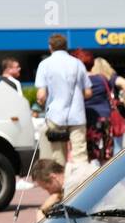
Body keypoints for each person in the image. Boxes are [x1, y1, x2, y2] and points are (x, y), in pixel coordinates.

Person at [34, 33, 92, 167]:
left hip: (55, 115)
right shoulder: (78, 63)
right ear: (66, 47)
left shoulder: (44, 64)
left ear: (50, 47)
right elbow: (88, 92)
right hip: (77, 114)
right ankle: (81, 184)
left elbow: (41, 95)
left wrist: (41, 102)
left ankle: (63, 185)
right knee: (80, 156)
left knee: (58, 157)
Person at [75, 50, 113, 165]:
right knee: (107, 153)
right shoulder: (102, 79)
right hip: (105, 117)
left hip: (88, 119)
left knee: (91, 154)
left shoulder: (79, 81)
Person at [92, 58, 125, 154]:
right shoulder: (112, 77)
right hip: (114, 113)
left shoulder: (93, 79)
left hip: (99, 115)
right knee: (117, 145)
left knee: (100, 146)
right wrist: (123, 98)